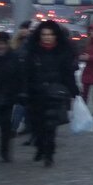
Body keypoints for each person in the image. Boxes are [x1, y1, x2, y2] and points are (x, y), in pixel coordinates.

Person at [23, 21, 79, 167]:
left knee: (51, 124)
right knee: (36, 124)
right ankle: (40, 147)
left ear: (56, 36)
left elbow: (68, 74)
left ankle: (49, 153)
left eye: (50, 34)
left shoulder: (63, 51)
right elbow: (25, 73)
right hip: (35, 92)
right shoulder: (32, 51)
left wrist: (73, 92)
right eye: (44, 34)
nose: (47, 37)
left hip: (55, 93)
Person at [0, 31, 22, 162]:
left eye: (2, 43)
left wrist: (17, 93)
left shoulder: (13, 57)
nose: (0, 46)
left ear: (7, 44)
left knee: (5, 126)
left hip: (7, 97)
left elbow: (18, 77)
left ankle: (5, 152)